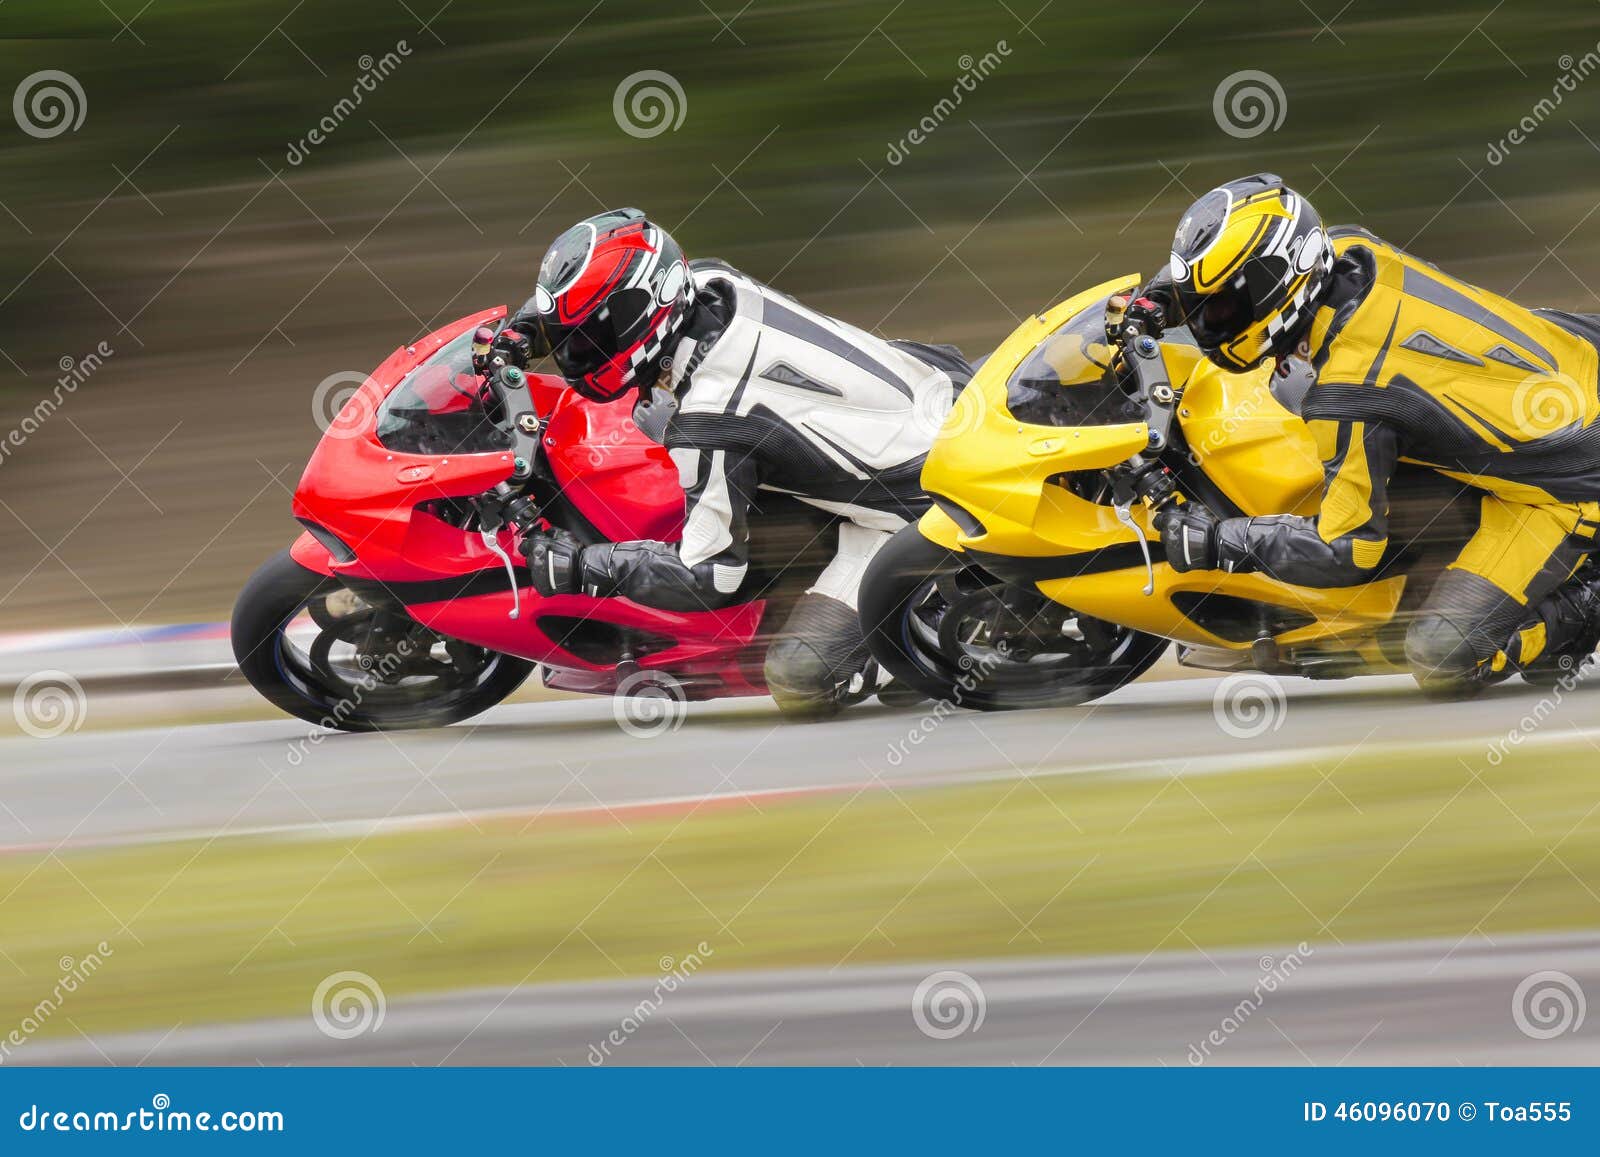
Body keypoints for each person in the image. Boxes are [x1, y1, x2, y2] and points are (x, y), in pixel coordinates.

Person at [1122, 172, 1600, 695]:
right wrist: (1156, 302)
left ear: (1279, 285)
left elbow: (1348, 550)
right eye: (1201, 304)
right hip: (1576, 353)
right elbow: (1231, 276)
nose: (1207, 322)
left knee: (1442, 660)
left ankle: (1586, 602)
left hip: (1567, 490)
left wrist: (1221, 540)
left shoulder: (1348, 389)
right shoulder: (1349, 247)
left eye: (1220, 308)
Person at [482, 208, 969, 717]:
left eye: (589, 339)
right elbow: (598, 306)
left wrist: (585, 566)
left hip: (917, 510)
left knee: (798, 679)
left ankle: (922, 621)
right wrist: (521, 334)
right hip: (936, 393)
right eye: (570, 338)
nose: (575, 355)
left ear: (644, 314)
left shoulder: (710, 416)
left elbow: (710, 577)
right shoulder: (711, 281)